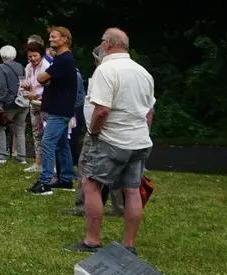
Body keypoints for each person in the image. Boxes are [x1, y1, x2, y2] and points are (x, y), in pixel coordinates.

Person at [70, 27, 156, 254]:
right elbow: (149, 112)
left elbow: (101, 110)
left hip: (111, 139)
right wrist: (142, 133)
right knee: (132, 190)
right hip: (139, 140)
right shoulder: (143, 72)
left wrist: (95, 133)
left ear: (107, 43)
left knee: (91, 184)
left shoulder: (106, 70)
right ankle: (129, 245)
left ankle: (92, 240)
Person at [31, 25, 80, 195]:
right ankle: (66, 179)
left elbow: (42, 78)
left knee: (48, 142)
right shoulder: (63, 60)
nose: (50, 39)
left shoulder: (64, 60)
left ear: (64, 39)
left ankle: (45, 182)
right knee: (61, 144)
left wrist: (43, 78)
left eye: (54, 37)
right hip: (62, 108)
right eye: (50, 37)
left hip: (59, 110)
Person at [0, 45, 26, 164]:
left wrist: (0, 104)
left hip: (9, 102)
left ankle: (0, 155)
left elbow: (1, 86)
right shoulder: (21, 66)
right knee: (19, 128)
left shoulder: (1, 67)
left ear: (2, 56)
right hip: (22, 101)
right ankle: (21, 156)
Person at [20, 37, 47, 172]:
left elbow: (50, 87)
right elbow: (30, 84)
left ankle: (50, 165)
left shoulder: (47, 65)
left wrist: (37, 95)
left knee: (48, 134)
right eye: (30, 56)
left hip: (46, 103)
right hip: (33, 103)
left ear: (41, 54)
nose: (32, 58)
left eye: (35, 55)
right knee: (36, 133)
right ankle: (38, 162)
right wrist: (26, 85)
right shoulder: (28, 67)